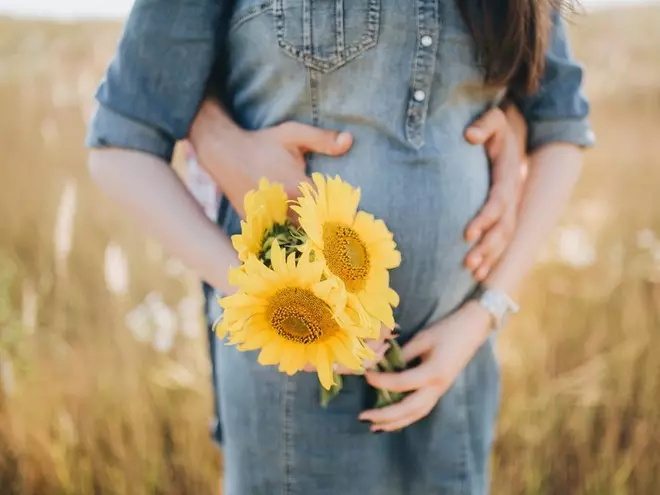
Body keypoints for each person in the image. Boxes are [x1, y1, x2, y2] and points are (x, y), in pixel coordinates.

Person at [85, 0, 594, 493]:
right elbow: (122, 143)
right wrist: (270, 303)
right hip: (292, 392)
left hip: (456, 374)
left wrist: (487, 309)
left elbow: (561, 124)